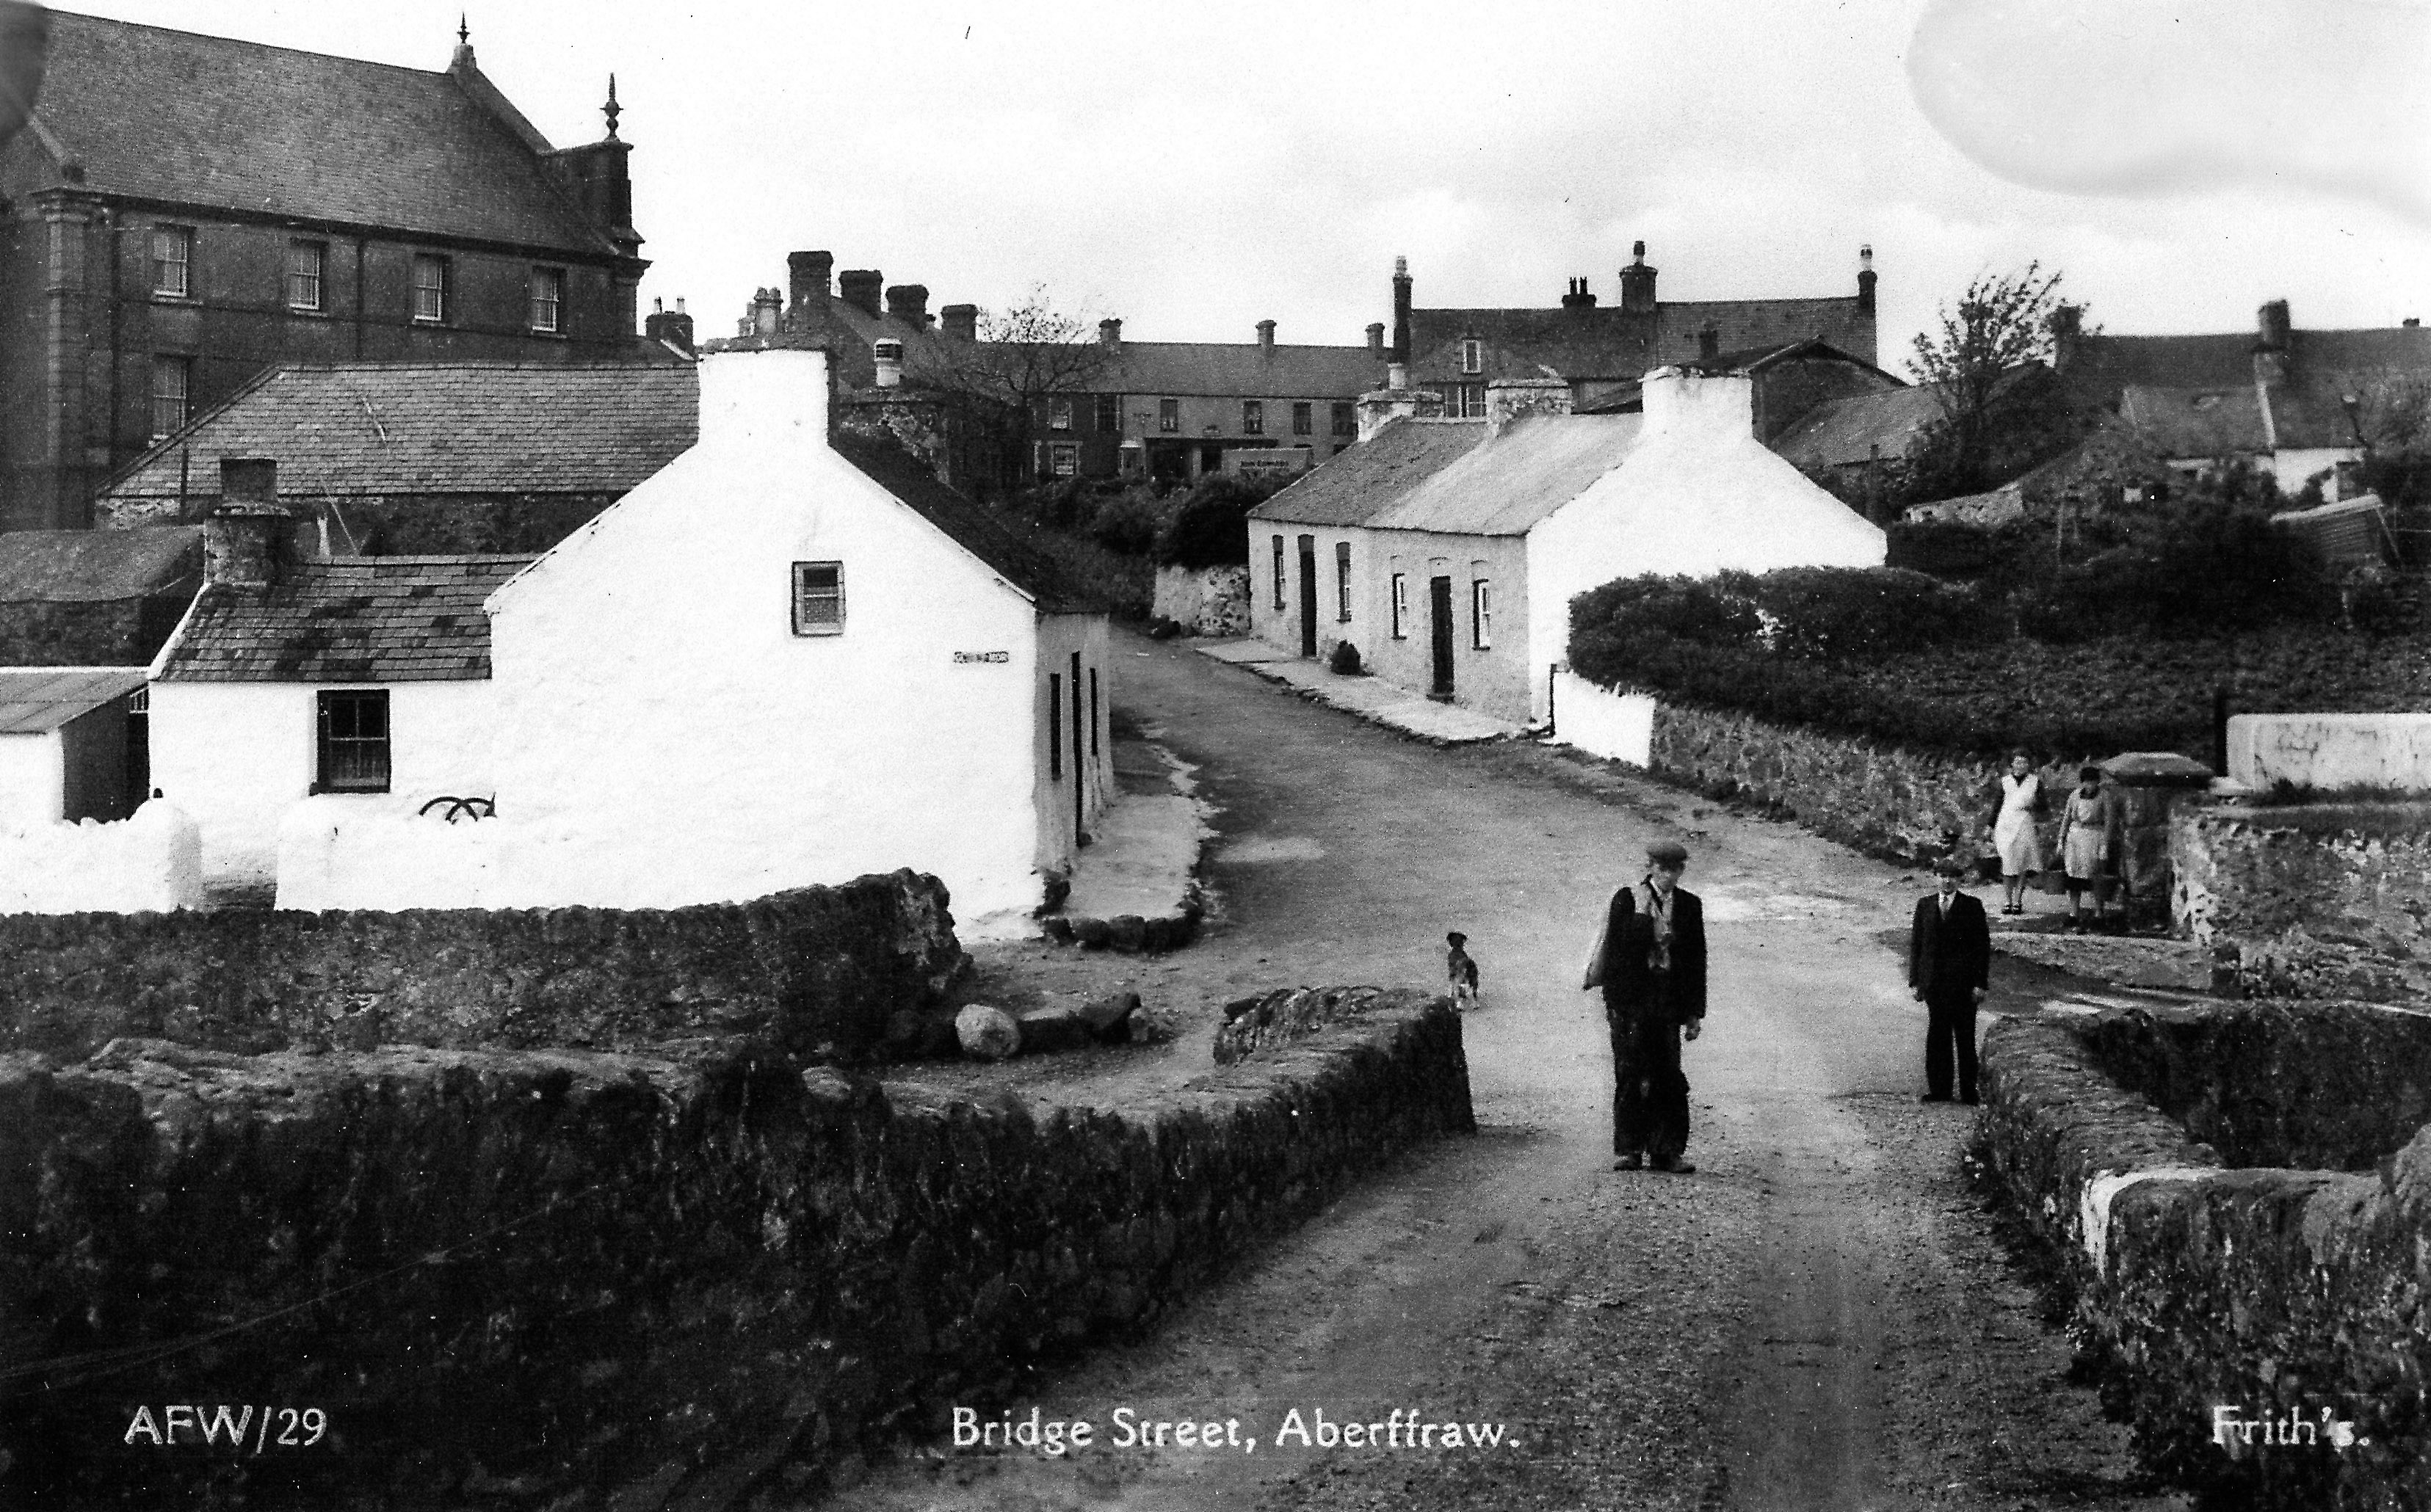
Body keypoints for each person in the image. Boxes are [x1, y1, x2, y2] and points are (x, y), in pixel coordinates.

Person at [1584, 840, 1708, 1173]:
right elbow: (1622, 954)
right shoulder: (1627, 900)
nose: (1669, 875)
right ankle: (1629, 1150)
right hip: (1629, 1003)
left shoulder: (1689, 906)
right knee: (1629, 1073)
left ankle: (1667, 1151)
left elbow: (1696, 962)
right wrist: (1641, 916)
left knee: (1669, 1076)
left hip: (1667, 1003)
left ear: (1682, 870)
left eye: (1676, 869)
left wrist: (1694, 1012)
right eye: (1663, 868)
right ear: (1651, 867)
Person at [1910, 854, 1992, 1104]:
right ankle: (1940, 1090)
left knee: (1965, 1039)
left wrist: (1980, 983)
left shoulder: (1972, 907)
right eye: (1943, 876)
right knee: (1938, 1037)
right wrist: (1916, 981)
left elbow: (1981, 948)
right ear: (1936, 878)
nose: (1947, 882)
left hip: (1964, 985)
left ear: (1960, 881)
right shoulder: (1925, 906)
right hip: (1935, 984)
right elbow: (1917, 946)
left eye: (1953, 878)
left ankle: (1969, 1092)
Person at [2054, 765, 2123, 934]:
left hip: (2095, 836)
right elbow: (2066, 818)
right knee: (2073, 877)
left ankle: (2099, 913)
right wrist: (2060, 840)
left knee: (2096, 877)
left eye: (2093, 782)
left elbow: (2109, 822)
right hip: (2076, 837)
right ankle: (2073, 913)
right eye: (2086, 782)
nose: (2089, 785)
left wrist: (2105, 846)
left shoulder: (2104, 797)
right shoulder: (2074, 796)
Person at [1983, 752, 2046, 917]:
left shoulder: (2035, 782)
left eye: (2024, 762)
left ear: (2028, 765)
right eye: (2017, 762)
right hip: (2006, 823)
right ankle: (2007, 900)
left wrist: (2035, 803)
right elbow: (1997, 804)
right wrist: (1990, 826)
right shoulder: (2005, 782)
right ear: (2011, 765)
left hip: (2025, 822)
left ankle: (2017, 900)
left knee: (2023, 862)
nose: (2021, 766)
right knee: (2008, 861)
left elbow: (2044, 806)